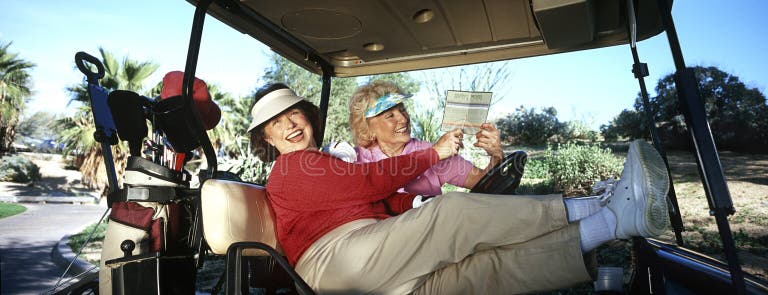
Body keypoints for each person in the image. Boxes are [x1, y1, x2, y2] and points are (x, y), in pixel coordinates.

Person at [247, 83, 670, 295]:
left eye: (295, 114)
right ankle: (595, 206)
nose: (289, 125)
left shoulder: (325, 163)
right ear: (266, 139)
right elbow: (367, 183)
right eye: (275, 122)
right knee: (447, 213)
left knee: (483, 271)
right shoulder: (294, 165)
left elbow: (378, 196)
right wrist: (430, 160)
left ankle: (614, 222)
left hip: (372, 258)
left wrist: (417, 195)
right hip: (335, 259)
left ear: (309, 118)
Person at [348, 80, 504, 196]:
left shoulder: (429, 149)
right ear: (367, 129)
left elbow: (483, 183)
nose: (403, 119)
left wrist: (496, 156)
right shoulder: (355, 159)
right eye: (390, 115)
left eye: (402, 110)